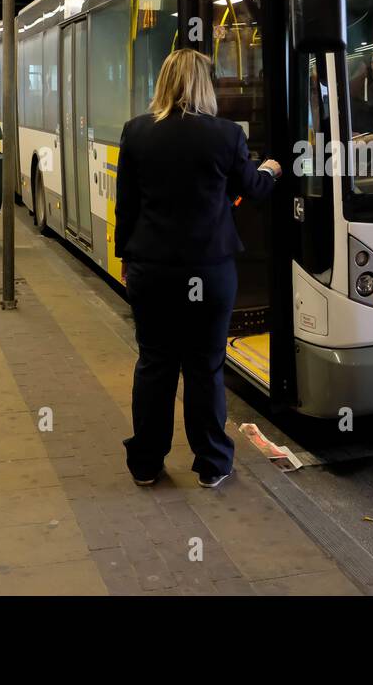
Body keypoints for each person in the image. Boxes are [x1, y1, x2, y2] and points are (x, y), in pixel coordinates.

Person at [114, 49, 281, 489]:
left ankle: (146, 463)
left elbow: (126, 206)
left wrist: (126, 260)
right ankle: (211, 463)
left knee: (155, 364)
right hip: (208, 272)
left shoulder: (137, 132)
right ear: (205, 86)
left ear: (165, 82)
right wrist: (271, 169)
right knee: (205, 366)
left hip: (152, 269)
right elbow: (253, 188)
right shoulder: (226, 135)